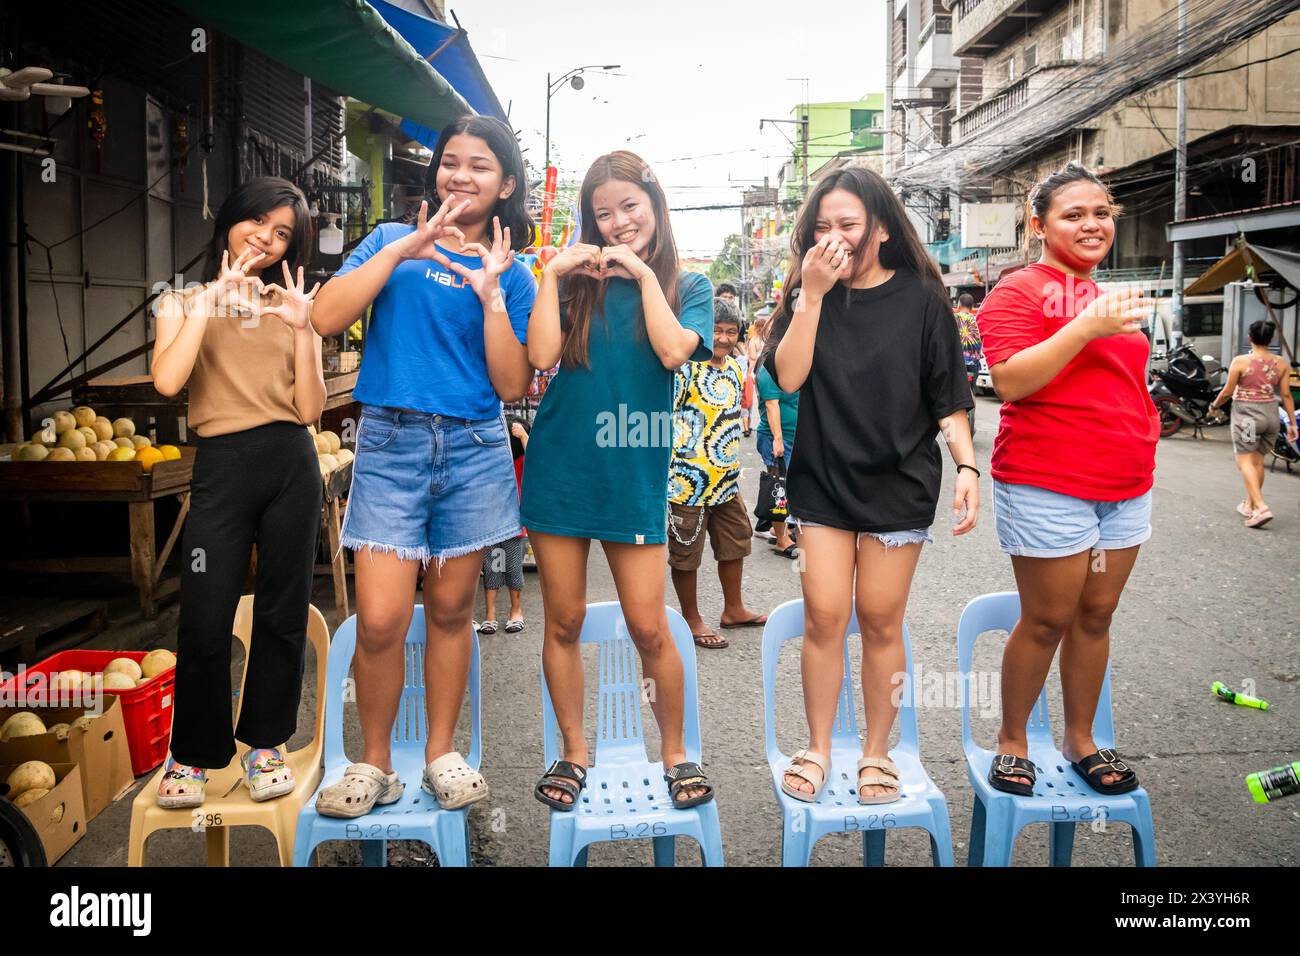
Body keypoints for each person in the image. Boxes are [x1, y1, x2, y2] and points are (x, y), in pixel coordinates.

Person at [309, 115, 538, 816]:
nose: (460, 175)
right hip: (390, 444)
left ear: (505, 185)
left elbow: (510, 385)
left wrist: (492, 295)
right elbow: (324, 315)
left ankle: (441, 752)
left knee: (448, 610)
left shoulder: (515, 272)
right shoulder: (386, 242)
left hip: (472, 447)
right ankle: (372, 762)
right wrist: (405, 246)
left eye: (479, 166)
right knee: (378, 619)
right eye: (450, 162)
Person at [764, 166, 978, 806]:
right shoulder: (806, 293)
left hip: (900, 485)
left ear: (880, 229)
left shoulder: (922, 298)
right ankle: (820, 746)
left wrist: (967, 466)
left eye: (848, 225)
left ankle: (878, 752)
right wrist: (811, 296)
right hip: (823, 482)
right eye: (822, 227)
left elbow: (949, 398)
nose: (834, 238)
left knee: (882, 621)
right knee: (825, 617)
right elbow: (788, 377)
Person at [521, 150, 717, 812]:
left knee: (648, 626)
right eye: (602, 214)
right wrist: (551, 275)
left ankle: (674, 751)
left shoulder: (690, 287)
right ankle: (574, 751)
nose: (618, 222)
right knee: (565, 620)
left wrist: (638, 272)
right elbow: (541, 356)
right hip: (560, 467)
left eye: (629, 207)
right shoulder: (575, 282)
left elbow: (670, 350)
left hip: (634, 469)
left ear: (655, 205)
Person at [977, 162, 1156, 798]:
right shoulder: (1019, 291)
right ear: (1039, 224)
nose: (1091, 224)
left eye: (1102, 213)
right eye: (1073, 214)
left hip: (1127, 483)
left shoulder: (1109, 293)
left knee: (1097, 613)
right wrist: (1086, 326)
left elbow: (1123, 382)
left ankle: (1083, 740)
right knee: (1048, 618)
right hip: (1048, 482)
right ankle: (1013, 740)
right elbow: (1010, 381)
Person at [151, 177, 325, 808]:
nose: (267, 238)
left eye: (283, 233)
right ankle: (193, 755)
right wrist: (209, 301)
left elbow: (309, 409)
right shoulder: (179, 301)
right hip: (221, 468)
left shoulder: (292, 306)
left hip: (290, 466)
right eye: (259, 222)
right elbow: (169, 381)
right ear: (231, 219)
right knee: (204, 615)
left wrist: (305, 330)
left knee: (282, 613)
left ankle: (266, 743)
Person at [668, 297, 767, 649]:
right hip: (686, 482)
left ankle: (733, 609)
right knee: (686, 553)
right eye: (717, 331)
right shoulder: (685, 368)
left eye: (730, 332)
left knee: (735, 544)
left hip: (726, 480)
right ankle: (691, 618)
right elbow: (665, 416)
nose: (724, 339)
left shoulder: (736, 368)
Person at [1210, 320, 1298, 527]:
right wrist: (1292, 423)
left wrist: (1214, 406)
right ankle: (1249, 504)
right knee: (1257, 462)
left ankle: (1260, 507)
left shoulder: (1241, 361)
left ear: (1250, 337)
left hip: (1248, 418)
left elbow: (1228, 391)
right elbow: (1285, 394)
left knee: (1244, 462)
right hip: (1271, 416)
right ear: (1271, 339)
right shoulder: (1281, 363)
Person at [479, 417, 530, 632]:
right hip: (490, 527)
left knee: (513, 570)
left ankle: (516, 611)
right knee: (492, 570)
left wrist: (524, 436)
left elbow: (535, 458)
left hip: (513, 527)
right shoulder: (491, 461)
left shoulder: (519, 464)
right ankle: (490, 614)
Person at [755, 360, 799, 556]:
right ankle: (781, 540)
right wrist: (778, 439)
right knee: (778, 488)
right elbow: (772, 405)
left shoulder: (793, 369)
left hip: (796, 437)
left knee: (792, 486)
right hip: (776, 439)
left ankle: (780, 528)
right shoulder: (769, 370)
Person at [743, 314, 770, 436]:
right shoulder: (768, 339)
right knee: (767, 399)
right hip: (768, 371)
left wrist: (748, 373)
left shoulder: (754, 340)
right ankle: (767, 421)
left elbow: (753, 359)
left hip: (756, 372)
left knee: (755, 398)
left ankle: (755, 423)